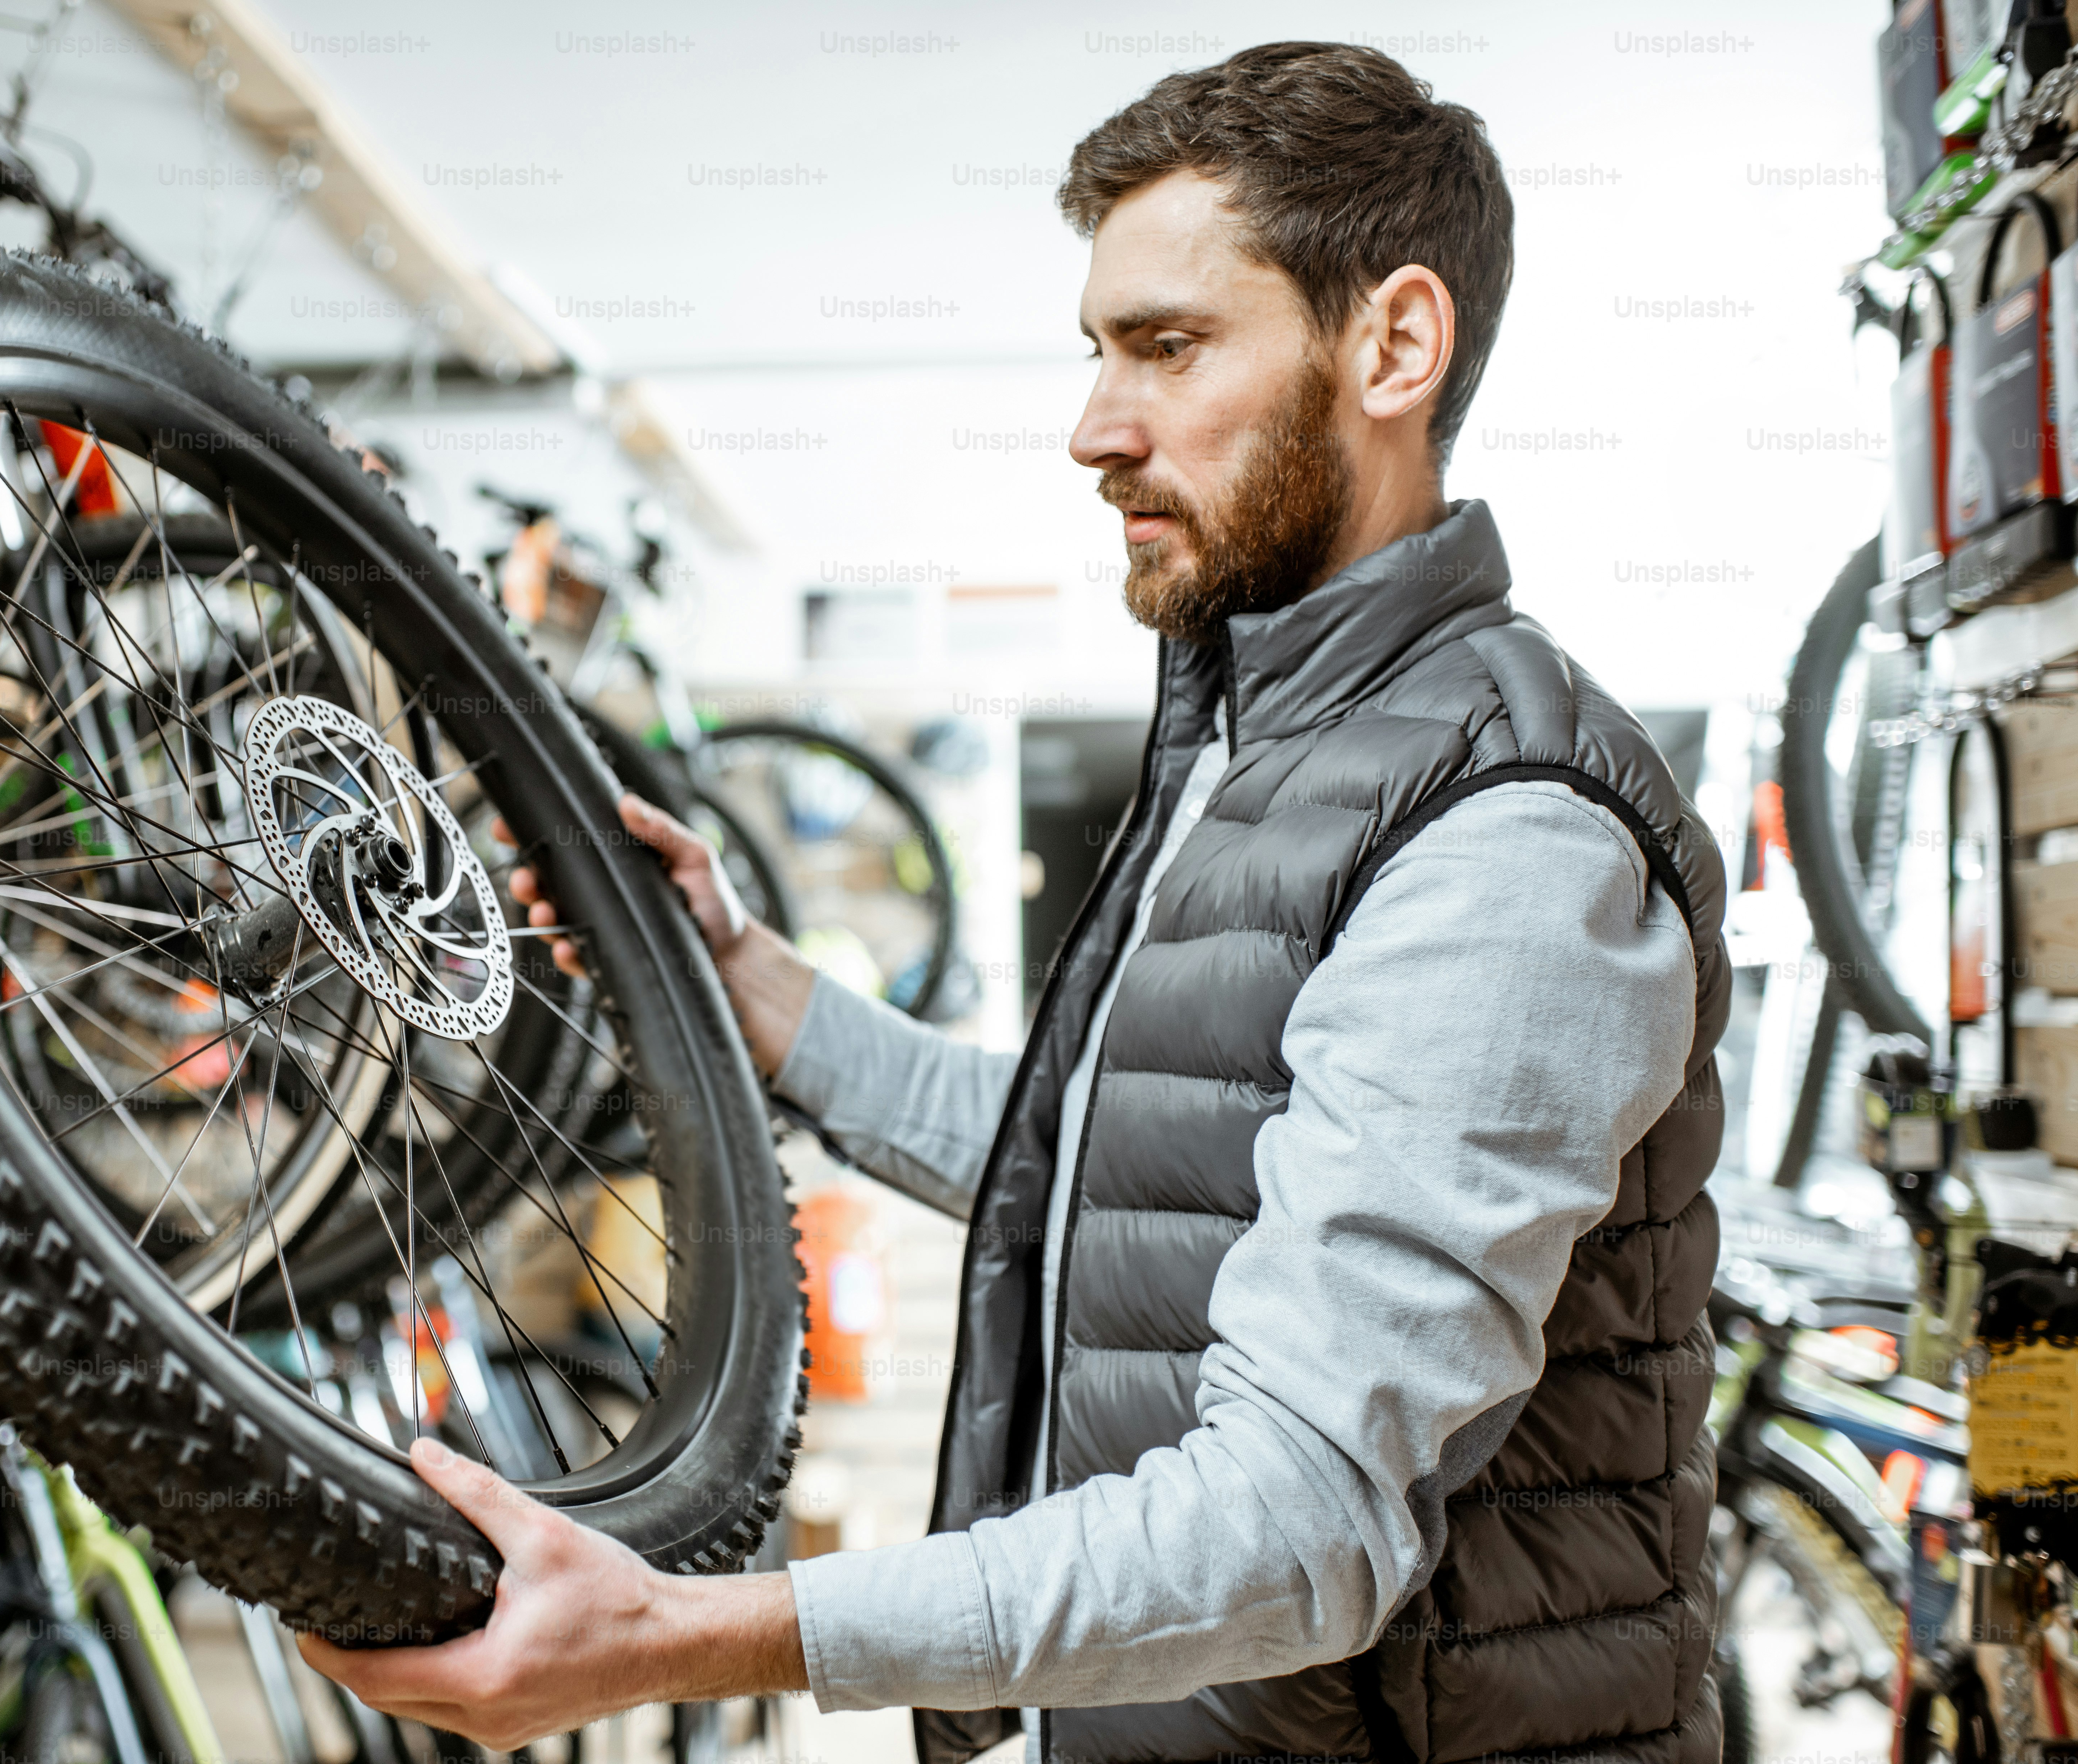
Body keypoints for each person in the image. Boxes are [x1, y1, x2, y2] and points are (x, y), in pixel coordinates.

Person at [301, 40, 1728, 1764]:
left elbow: (1294, 1522)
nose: (1091, 428)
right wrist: (767, 1001)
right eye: (1095, 350)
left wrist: (687, 1636)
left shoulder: (1508, 828)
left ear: (1394, 346)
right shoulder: (1254, 745)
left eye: (1169, 347)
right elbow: (1125, 1175)